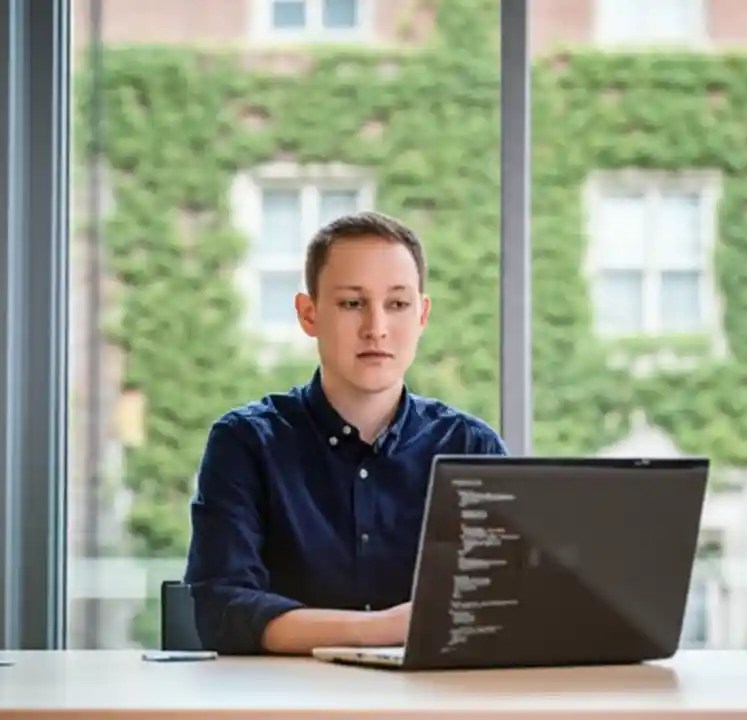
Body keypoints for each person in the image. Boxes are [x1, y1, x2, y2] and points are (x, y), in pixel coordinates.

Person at [183, 210, 508, 655]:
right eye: (352, 303)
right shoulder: (246, 443)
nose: (376, 327)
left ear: (422, 315)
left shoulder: (473, 448)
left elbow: (502, 608)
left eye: (397, 304)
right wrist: (383, 628)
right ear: (308, 313)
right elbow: (222, 611)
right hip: (287, 707)